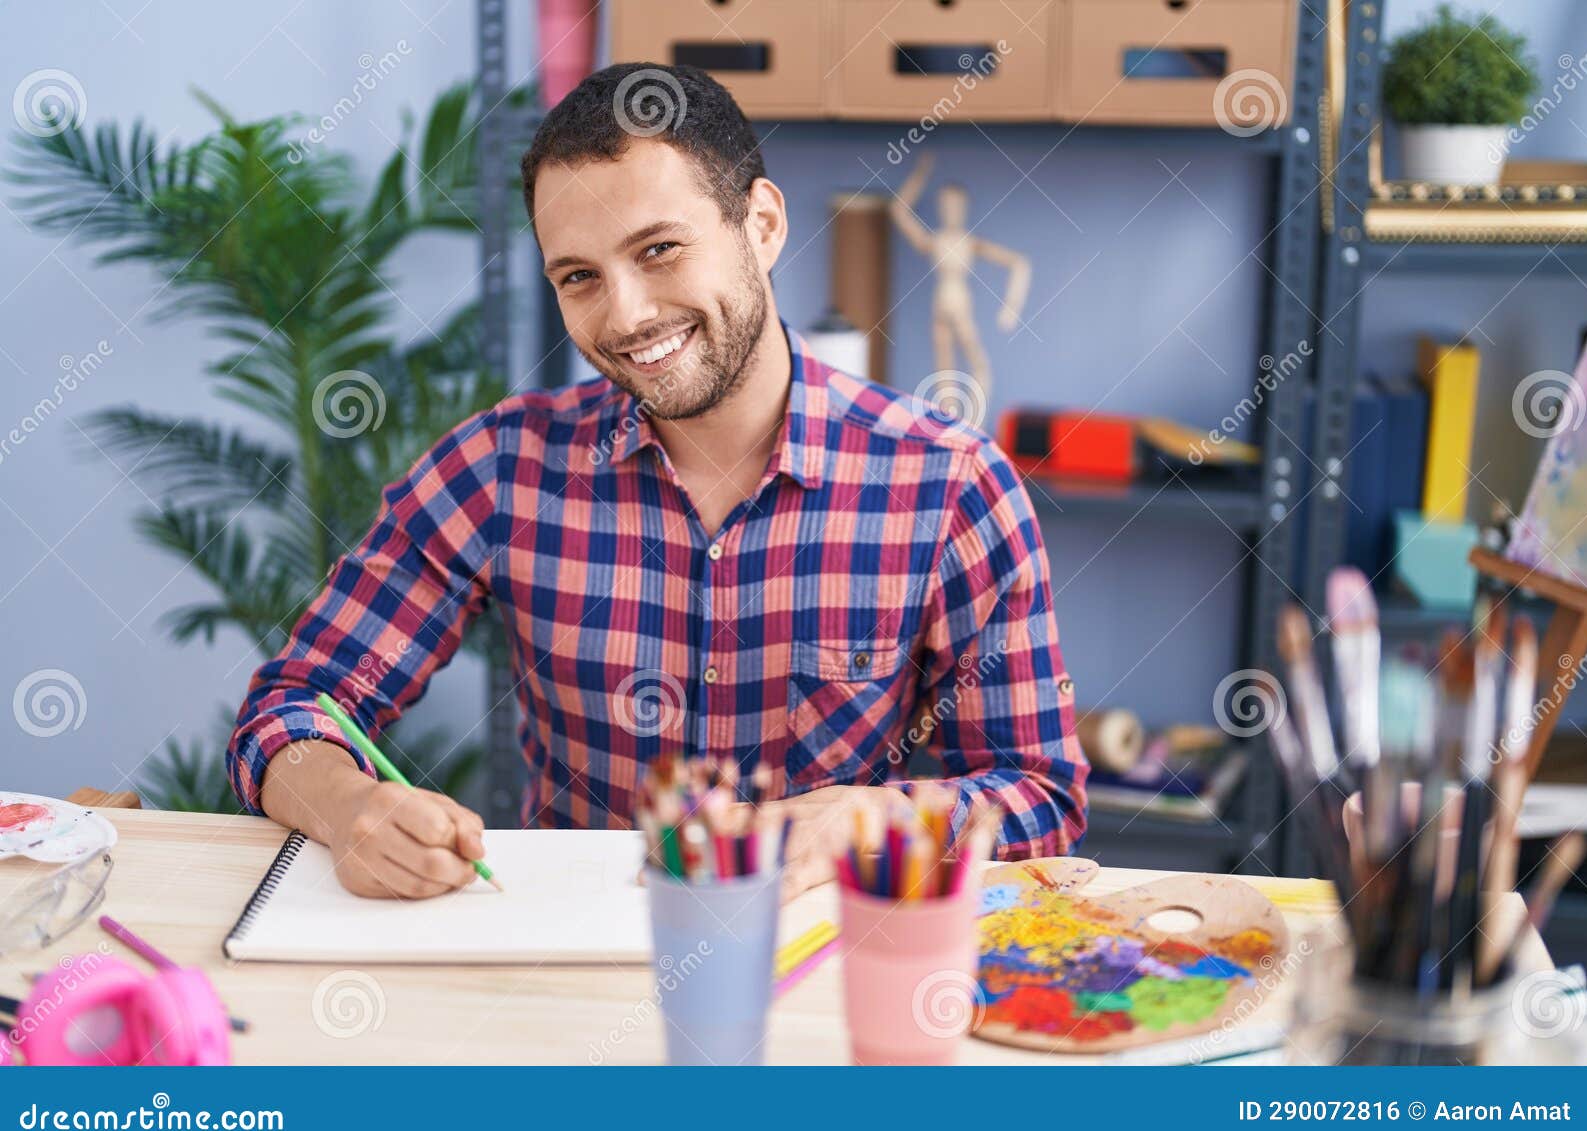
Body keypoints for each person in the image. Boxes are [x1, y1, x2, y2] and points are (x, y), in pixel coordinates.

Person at [226, 63, 1089, 901]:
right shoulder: (499, 469)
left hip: (817, 979)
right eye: (579, 278)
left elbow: (1041, 797)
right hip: (568, 978)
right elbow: (294, 708)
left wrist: (874, 817)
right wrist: (351, 809)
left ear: (762, 225)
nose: (627, 315)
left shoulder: (947, 484)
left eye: (661, 250)